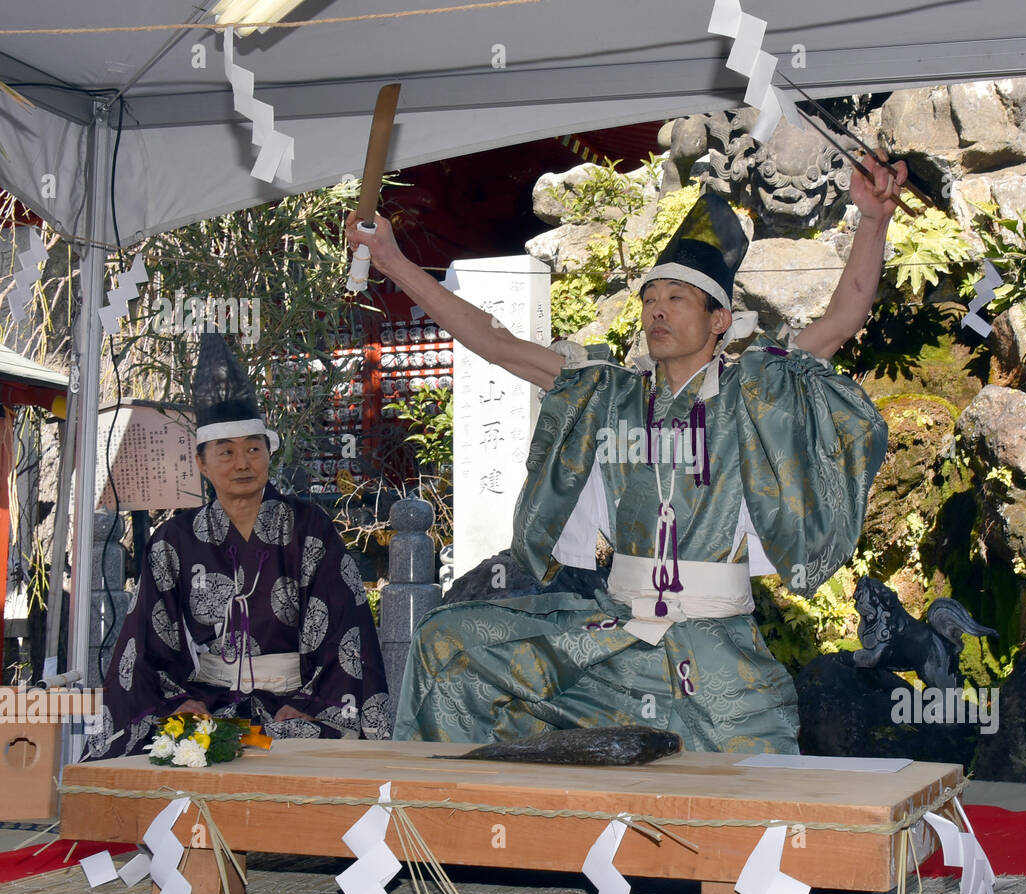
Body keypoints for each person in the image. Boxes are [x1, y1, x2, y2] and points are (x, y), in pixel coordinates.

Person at [347, 154, 903, 753]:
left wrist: (872, 222)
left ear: (720, 320)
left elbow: (843, 318)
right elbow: (493, 342)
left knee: (762, 794)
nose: (657, 309)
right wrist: (394, 262)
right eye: (650, 297)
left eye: (678, 299)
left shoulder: (755, 392)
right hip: (614, 638)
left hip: (716, 646)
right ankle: (454, 836)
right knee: (445, 644)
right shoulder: (608, 395)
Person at [85, 334, 392, 759]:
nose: (242, 462)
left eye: (253, 448)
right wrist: (179, 703)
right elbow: (143, 644)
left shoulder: (308, 529)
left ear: (269, 454)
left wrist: (311, 705)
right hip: (206, 702)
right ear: (201, 463)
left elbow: (345, 630)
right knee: (158, 745)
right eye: (225, 452)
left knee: (313, 748)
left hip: (296, 702)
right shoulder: (173, 541)